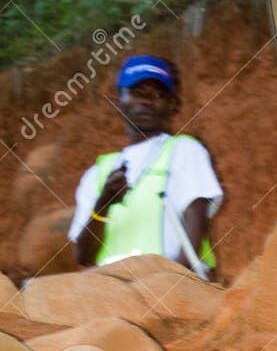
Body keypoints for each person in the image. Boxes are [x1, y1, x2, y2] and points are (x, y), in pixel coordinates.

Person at [68, 57, 223, 277]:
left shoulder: (185, 149)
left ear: (172, 104)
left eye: (158, 95)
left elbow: (196, 220)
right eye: (138, 93)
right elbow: (83, 256)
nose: (147, 101)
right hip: (112, 292)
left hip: (172, 287)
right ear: (120, 100)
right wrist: (102, 205)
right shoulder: (97, 173)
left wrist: (168, 286)